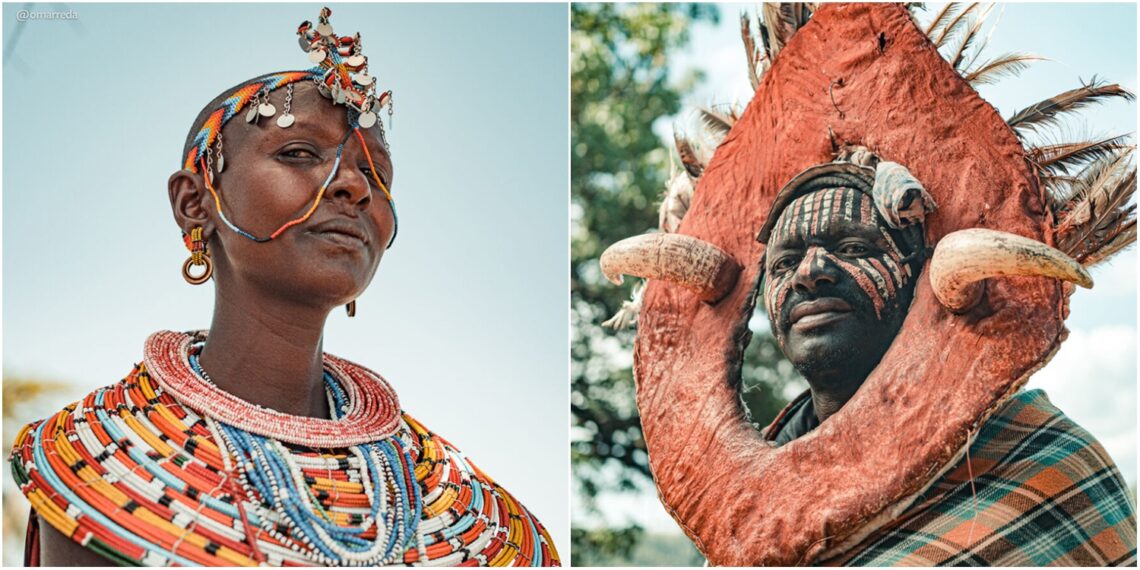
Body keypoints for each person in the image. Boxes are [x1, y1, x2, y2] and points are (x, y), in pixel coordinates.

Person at [9, 7, 559, 567]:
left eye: (376, 175)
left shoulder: (466, 515)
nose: (353, 187)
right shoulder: (103, 470)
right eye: (299, 154)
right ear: (194, 202)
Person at [757, 155, 1136, 565]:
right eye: (784, 263)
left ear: (920, 278)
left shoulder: (1045, 460)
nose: (808, 273)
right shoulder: (753, 498)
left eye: (852, 247)